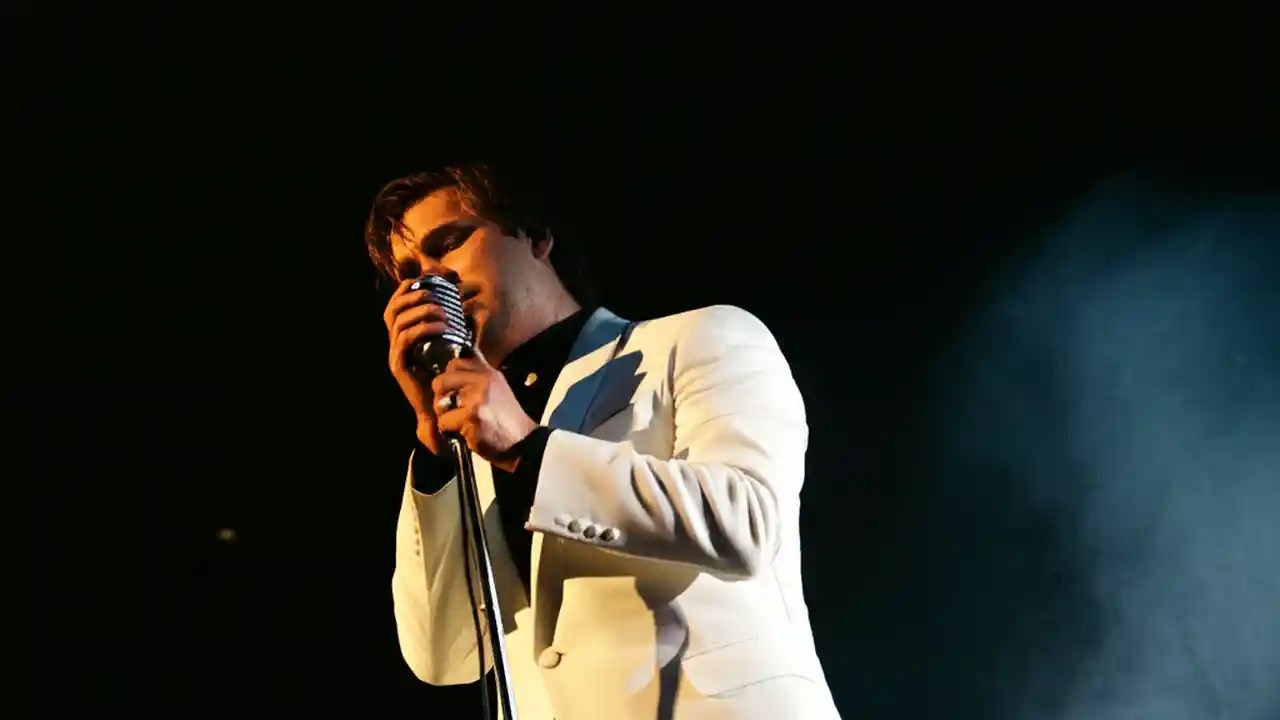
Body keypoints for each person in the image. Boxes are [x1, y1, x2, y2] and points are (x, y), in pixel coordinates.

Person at [366, 160, 841, 719]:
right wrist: (434, 447)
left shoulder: (699, 337)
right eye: (408, 273)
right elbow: (443, 657)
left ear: (537, 236)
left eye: (448, 244)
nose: (428, 280)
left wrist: (526, 448)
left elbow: (748, 523)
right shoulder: (471, 442)